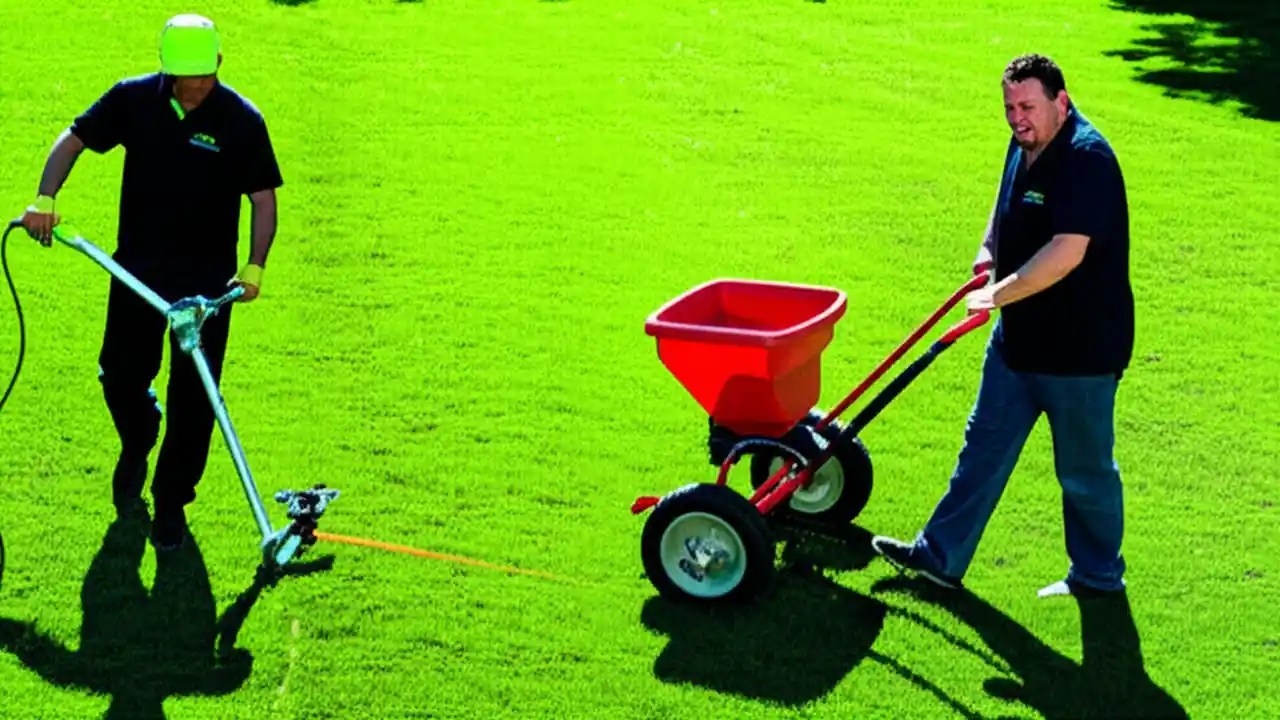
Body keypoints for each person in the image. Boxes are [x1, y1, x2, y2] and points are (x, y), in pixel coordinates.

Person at [872, 53, 1134, 598]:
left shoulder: (1087, 159)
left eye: (1028, 107)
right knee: (982, 451)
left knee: (1084, 474)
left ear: (1062, 102)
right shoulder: (1024, 141)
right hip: (1017, 345)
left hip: (1079, 356)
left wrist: (997, 294)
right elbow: (1005, 205)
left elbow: (1067, 253)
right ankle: (939, 558)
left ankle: (1097, 577)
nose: (1017, 118)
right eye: (1010, 107)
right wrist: (987, 254)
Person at [20, 14, 284, 551]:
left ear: (218, 63)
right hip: (136, 273)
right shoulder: (133, 99)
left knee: (195, 401)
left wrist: (254, 265)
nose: (194, 87)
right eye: (186, 77)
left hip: (206, 289)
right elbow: (73, 140)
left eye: (203, 76)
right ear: (168, 68)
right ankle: (139, 437)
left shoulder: (242, 120)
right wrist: (45, 198)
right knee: (119, 377)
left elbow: (262, 198)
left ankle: (170, 503)